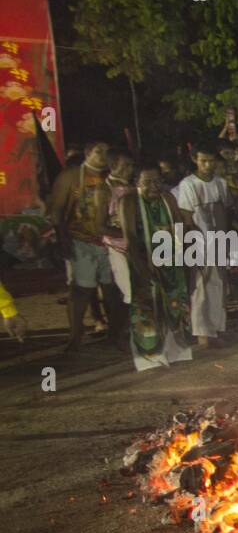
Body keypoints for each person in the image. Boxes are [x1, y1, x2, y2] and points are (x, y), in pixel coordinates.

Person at [46, 138, 126, 353]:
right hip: (81, 241)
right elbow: (57, 210)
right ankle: (75, 337)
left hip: (111, 243)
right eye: (99, 152)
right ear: (88, 153)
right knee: (81, 290)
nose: (104, 156)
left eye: (107, 151)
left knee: (112, 291)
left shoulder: (114, 176)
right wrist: (62, 238)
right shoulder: (71, 176)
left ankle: (115, 334)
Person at [119, 165, 193, 370]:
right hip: (143, 259)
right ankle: (149, 356)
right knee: (147, 307)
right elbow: (130, 238)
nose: (154, 186)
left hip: (171, 260)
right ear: (136, 184)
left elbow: (179, 228)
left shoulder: (168, 199)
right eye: (147, 182)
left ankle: (175, 352)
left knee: (175, 303)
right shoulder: (129, 201)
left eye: (157, 181)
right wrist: (142, 267)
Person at [176, 142, 233, 348]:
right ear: (195, 161)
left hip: (219, 241)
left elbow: (225, 212)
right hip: (200, 243)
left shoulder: (220, 183)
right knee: (200, 288)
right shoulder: (188, 185)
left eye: (211, 161)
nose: (207, 165)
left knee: (218, 286)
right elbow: (187, 218)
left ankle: (216, 329)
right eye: (203, 161)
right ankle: (202, 333)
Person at [97, 148, 136, 349]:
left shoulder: (133, 187)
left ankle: (127, 333)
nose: (130, 169)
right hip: (116, 247)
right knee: (127, 292)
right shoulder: (103, 190)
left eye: (131, 165)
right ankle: (119, 335)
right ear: (113, 166)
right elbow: (98, 225)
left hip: (136, 246)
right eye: (125, 165)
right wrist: (125, 233)